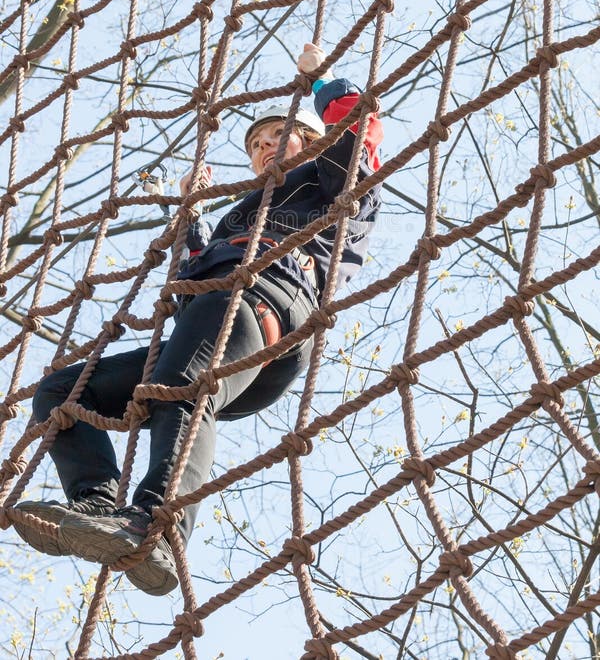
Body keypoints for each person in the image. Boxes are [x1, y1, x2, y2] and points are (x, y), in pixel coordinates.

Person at [13, 43, 383, 595]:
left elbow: (361, 133)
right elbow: (192, 279)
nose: (264, 149)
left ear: (311, 143)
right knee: (64, 394)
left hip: (266, 306)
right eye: (256, 145)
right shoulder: (242, 208)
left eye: (279, 138)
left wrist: (321, 80)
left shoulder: (330, 188)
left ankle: (158, 527)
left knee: (183, 383)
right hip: (211, 320)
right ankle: (96, 502)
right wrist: (190, 214)